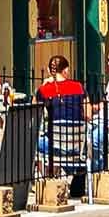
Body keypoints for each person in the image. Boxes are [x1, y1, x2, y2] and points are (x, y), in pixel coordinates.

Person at [36, 55, 88, 197]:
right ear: (66, 70)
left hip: (55, 145)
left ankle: (47, 181)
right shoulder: (78, 87)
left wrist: (43, 85)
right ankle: (76, 178)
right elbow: (88, 114)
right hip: (77, 144)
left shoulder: (45, 90)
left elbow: (34, 110)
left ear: (49, 70)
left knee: (34, 142)